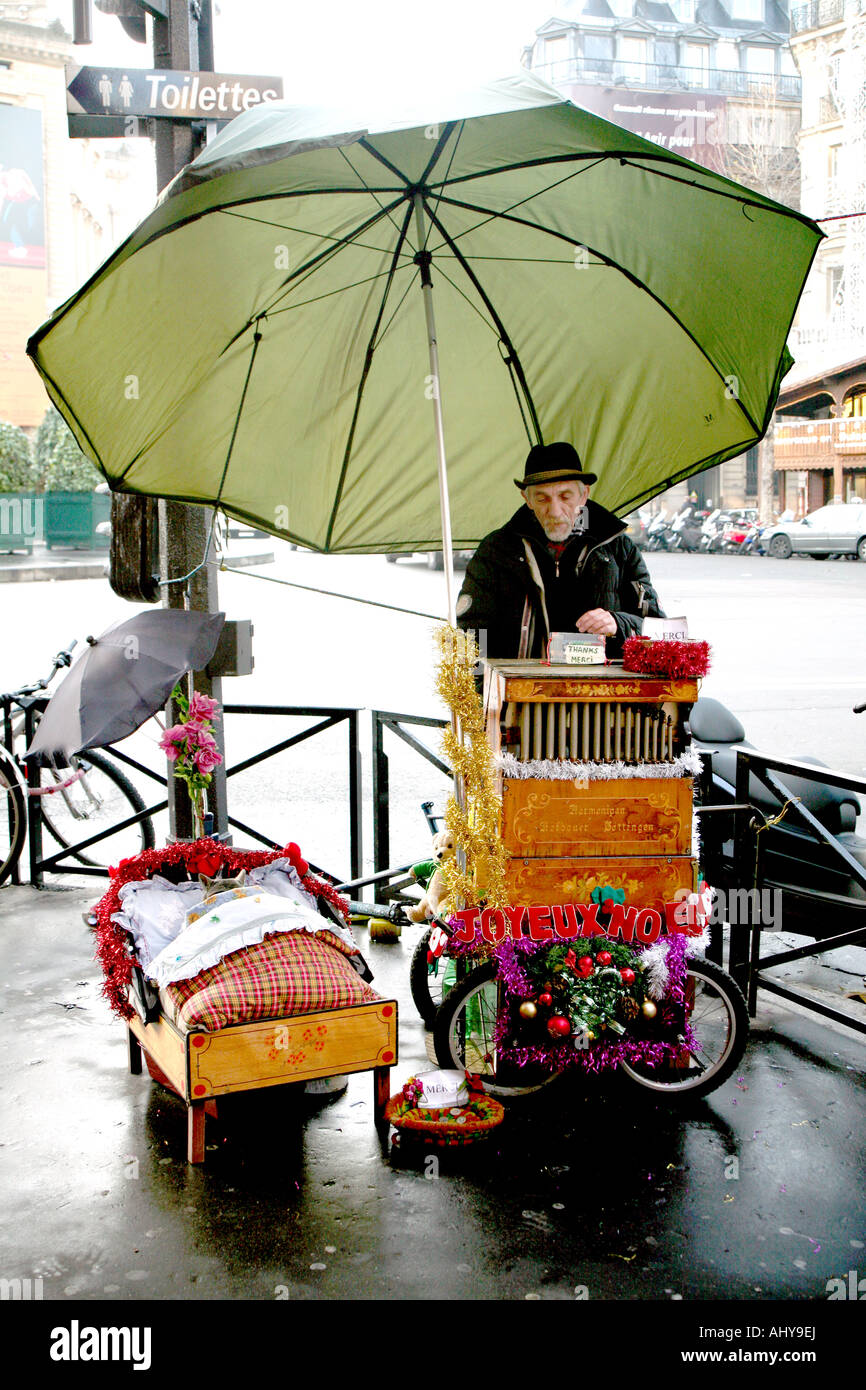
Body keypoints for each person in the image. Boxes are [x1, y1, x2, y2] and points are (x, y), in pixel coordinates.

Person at [456, 441, 664, 660]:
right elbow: (472, 632)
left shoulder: (619, 549)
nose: (554, 511)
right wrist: (481, 690)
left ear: (583, 495)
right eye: (542, 498)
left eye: (565, 497)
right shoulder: (496, 551)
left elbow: (658, 629)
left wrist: (618, 623)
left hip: (601, 692)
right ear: (527, 499)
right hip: (521, 691)